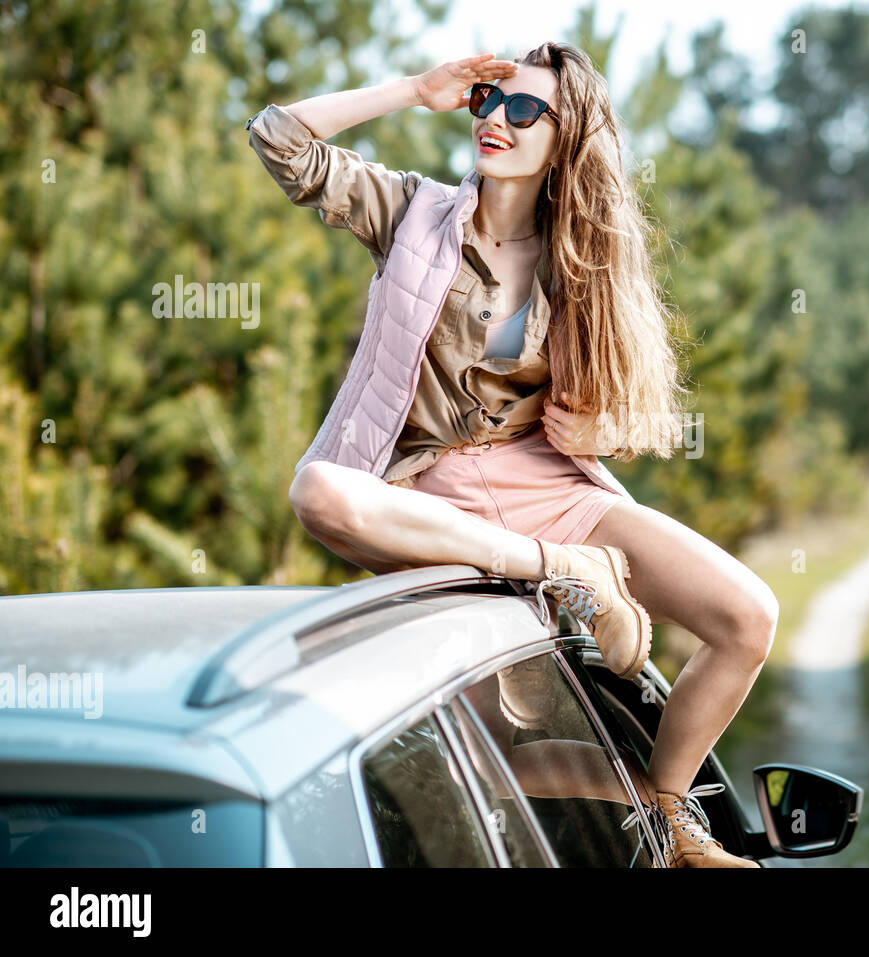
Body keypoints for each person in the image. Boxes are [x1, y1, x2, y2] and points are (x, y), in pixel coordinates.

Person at [245, 42, 777, 867]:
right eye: (488, 102)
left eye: (525, 108)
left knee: (748, 617)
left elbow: (632, 413)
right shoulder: (412, 213)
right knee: (319, 490)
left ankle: (668, 819)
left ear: (568, 136)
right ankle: (558, 566)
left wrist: (600, 433)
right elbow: (278, 137)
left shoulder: (585, 260)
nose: (497, 118)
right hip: (431, 496)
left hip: (550, 484)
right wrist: (416, 91)